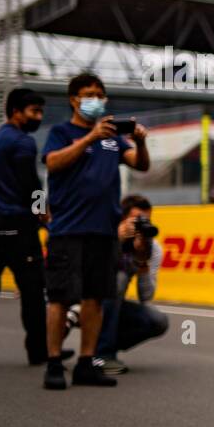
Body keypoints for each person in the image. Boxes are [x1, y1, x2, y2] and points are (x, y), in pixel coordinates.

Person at [40, 73, 149, 389]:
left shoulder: (114, 138)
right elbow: (52, 162)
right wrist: (89, 137)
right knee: (60, 298)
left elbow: (140, 164)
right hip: (67, 230)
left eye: (100, 95)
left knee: (95, 298)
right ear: (74, 99)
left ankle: (87, 361)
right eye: (89, 94)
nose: (96, 100)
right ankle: (54, 362)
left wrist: (140, 143)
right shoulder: (61, 132)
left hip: (104, 231)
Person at [0, 87, 62, 368]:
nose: (39, 117)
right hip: (18, 227)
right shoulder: (22, 143)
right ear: (16, 112)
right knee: (33, 291)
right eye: (34, 111)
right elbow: (30, 185)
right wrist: (43, 215)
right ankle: (39, 351)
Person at [96, 194, 168, 375]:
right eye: (136, 220)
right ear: (122, 218)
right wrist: (117, 241)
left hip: (113, 305)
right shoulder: (105, 232)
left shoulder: (153, 247)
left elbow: (146, 297)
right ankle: (103, 353)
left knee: (157, 321)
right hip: (86, 301)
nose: (141, 225)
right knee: (118, 278)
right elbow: (89, 271)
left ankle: (94, 349)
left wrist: (142, 260)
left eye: (146, 220)